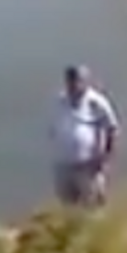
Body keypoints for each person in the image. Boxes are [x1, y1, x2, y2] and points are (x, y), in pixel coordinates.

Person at [48, 64, 120, 207]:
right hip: (64, 163)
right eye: (70, 81)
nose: (74, 85)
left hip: (89, 164)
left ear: (86, 81)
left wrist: (105, 158)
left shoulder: (96, 102)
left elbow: (112, 129)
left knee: (91, 202)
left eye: (78, 80)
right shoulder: (59, 101)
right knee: (67, 204)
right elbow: (52, 128)